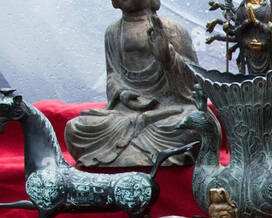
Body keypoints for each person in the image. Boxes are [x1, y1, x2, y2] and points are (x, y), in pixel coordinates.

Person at [64, 0, 200, 168]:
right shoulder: (112, 33)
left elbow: (195, 82)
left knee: (195, 124)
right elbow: (113, 75)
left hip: (168, 111)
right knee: (75, 128)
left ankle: (133, 148)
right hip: (126, 115)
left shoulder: (171, 28)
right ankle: (140, 148)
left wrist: (167, 57)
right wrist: (122, 94)